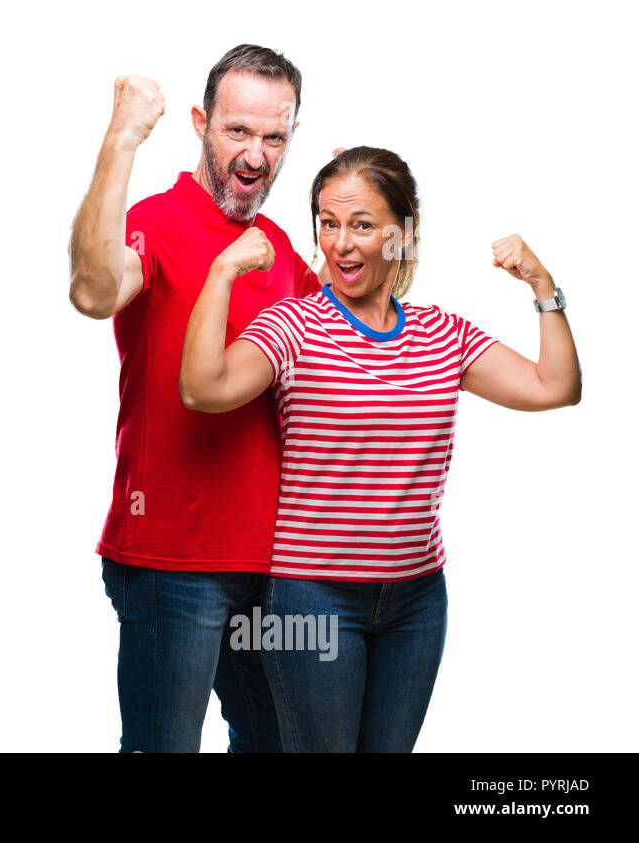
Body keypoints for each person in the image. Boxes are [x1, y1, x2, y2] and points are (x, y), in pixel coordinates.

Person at [179, 146, 581, 752]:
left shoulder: (441, 332)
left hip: (416, 603)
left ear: (403, 234)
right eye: (328, 222)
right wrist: (220, 274)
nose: (340, 244)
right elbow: (203, 388)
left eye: (362, 225)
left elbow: (557, 387)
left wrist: (543, 286)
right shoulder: (295, 326)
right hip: (312, 602)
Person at [68, 44, 319, 752]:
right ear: (201, 124)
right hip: (170, 561)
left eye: (274, 137)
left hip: (272, 565)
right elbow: (92, 290)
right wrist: (121, 139)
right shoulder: (158, 220)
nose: (256, 153)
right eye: (238, 130)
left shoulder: (278, 247)